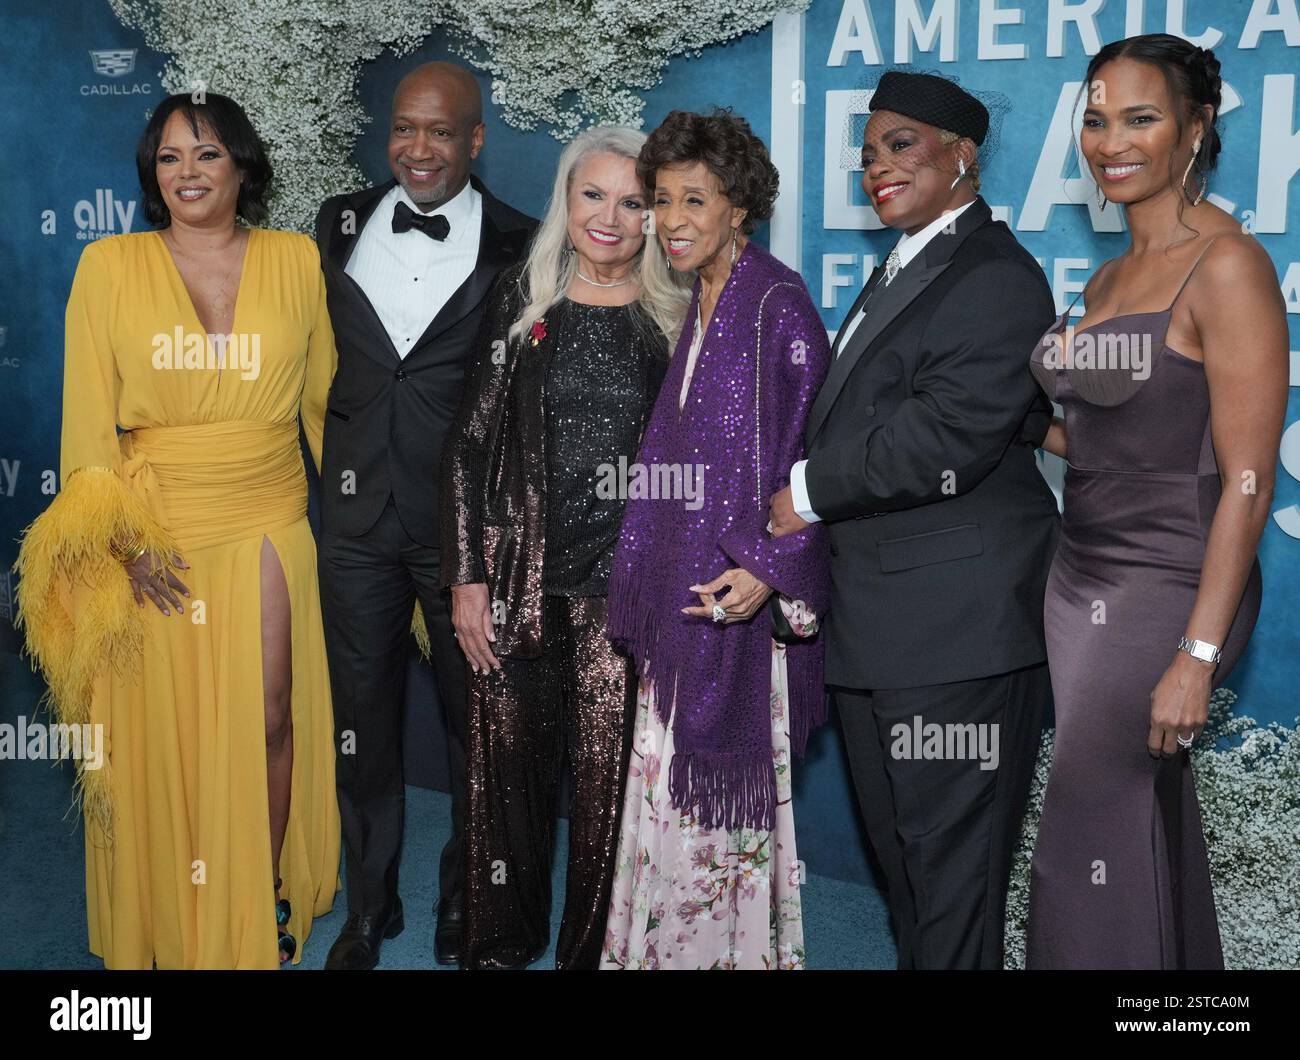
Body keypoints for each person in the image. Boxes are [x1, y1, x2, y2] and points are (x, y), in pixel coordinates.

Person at [15, 93, 340, 968]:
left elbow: (323, 408)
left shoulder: (296, 260)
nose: (188, 173)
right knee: (162, 731)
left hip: (268, 516)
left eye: (206, 154)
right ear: (151, 176)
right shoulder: (109, 265)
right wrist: (123, 541)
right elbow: (86, 422)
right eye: (168, 158)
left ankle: (262, 886)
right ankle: (175, 902)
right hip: (150, 528)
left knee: (270, 715)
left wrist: (371, 522)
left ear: (242, 165)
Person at [769, 71, 1061, 969]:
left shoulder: (996, 276)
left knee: (951, 889)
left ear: (962, 156)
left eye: (900, 145)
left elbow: (947, 436)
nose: (877, 169)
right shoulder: (910, 265)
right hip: (883, 629)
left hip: (956, 641)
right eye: (867, 155)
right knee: (909, 871)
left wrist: (805, 492)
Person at [1026, 35, 1287, 969]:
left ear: (1195, 128)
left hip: (1170, 585)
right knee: (1141, 818)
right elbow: (1097, 441)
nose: (1111, 141)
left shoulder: (1229, 266)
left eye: (1141, 118)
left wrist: (1198, 653)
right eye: (1095, 120)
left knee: (1080, 838)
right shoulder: (1103, 278)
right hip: (1080, 573)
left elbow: (1248, 483)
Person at [441, 125, 683, 969]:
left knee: (607, 789)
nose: (609, 217)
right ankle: (501, 946)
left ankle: (592, 952)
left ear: (656, 215)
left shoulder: (676, 315)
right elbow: (469, 444)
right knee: (504, 776)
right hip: (516, 578)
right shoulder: (523, 294)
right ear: (565, 200)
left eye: (633, 200)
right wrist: (466, 576)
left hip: (621, 593)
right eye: (593, 195)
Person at [314, 61, 537, 969]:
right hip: (355, 521)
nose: (417, 147)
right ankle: (370, 910)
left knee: (472, 724)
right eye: (404, 128)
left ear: (475, 140)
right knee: (359, 723)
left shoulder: (522, 243)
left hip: (463, 535)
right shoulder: (335, 223)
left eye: (439, 131)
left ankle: (464, 902)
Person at [600, 108, 830, 971]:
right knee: (672, 803)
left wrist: (769, 572)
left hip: (735, 603)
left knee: (712, 817)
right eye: (662, 202)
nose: (673, 221)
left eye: (696, 200)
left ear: (739, 206)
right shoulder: (704, 297)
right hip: (685, 599)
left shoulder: (778, 303)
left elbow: (817, 460)